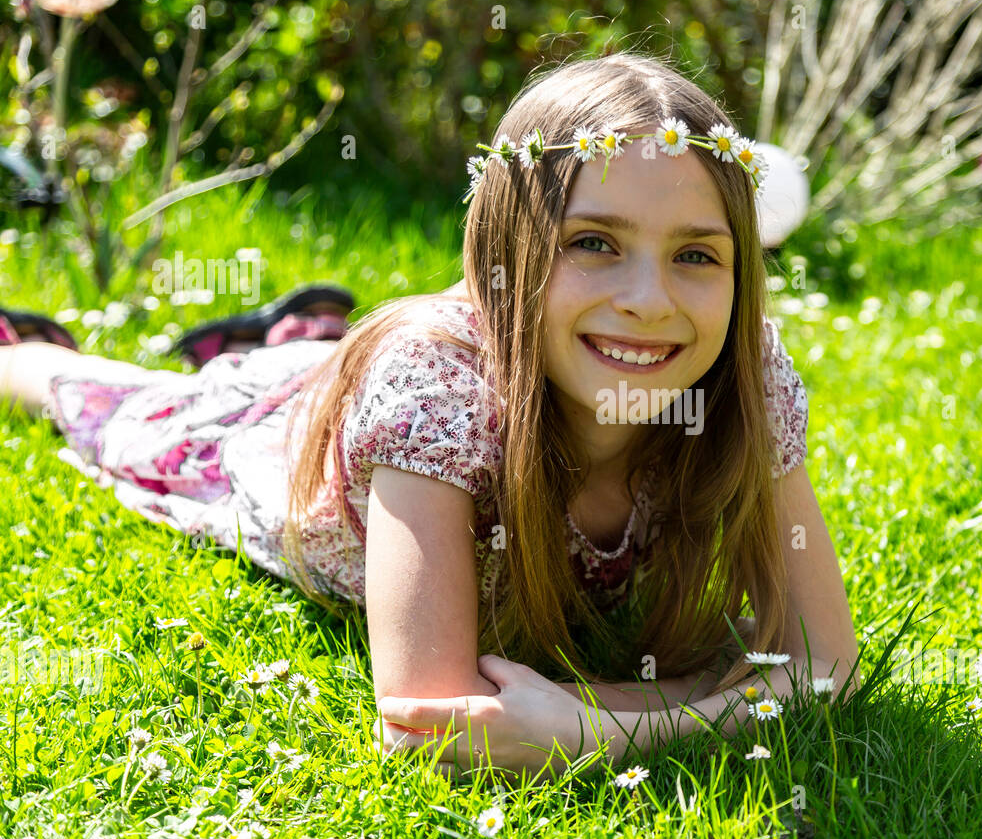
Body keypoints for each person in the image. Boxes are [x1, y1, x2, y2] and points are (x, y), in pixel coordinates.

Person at [0, 51, 859, 781]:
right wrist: (706, 693)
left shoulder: (745, 372)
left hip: (376, 382)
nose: (649, 300)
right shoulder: (435, 389)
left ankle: (296, 336)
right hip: (271, 437)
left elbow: (827, 671)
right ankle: (32, 350)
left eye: (696, 255)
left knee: (292, 368)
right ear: (502, 254)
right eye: (593, 242)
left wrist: (594, 729)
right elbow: (437, 720)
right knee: (113, 403)